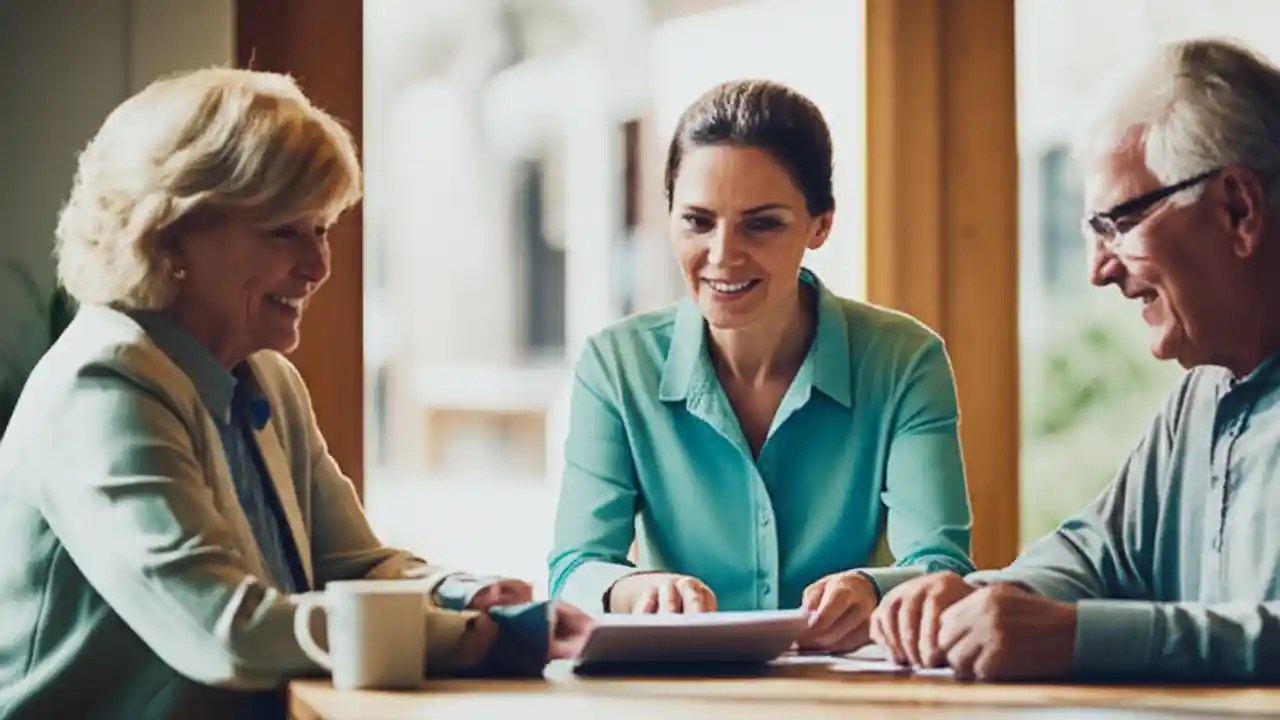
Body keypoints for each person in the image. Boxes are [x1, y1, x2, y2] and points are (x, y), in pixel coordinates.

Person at [0, 68, 585, 720]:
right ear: (168, 235)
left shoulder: (264, 376)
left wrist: (463, 597)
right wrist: (471, 641)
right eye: (283, 231)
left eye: (324, 228)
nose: (318, 266)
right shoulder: (103, 386)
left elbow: (355, 567)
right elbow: (227, 630)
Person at [870, 38, 1280, 682]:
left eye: (1119, 222)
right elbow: (1096, 555)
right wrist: (989, 599)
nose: (1098, 270)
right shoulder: (1199, 401)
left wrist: (1080, 638)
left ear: (1238, 208)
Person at [548, 79, 973, 652]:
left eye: (762, 223)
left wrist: (872, 589)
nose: (723, 254)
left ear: (820, 224)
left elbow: (942, 568)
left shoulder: (905, 362)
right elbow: (575, 568)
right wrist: (637, 590)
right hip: (680, 692)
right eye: (698, 221)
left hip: (845, 697)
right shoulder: (615, 367)